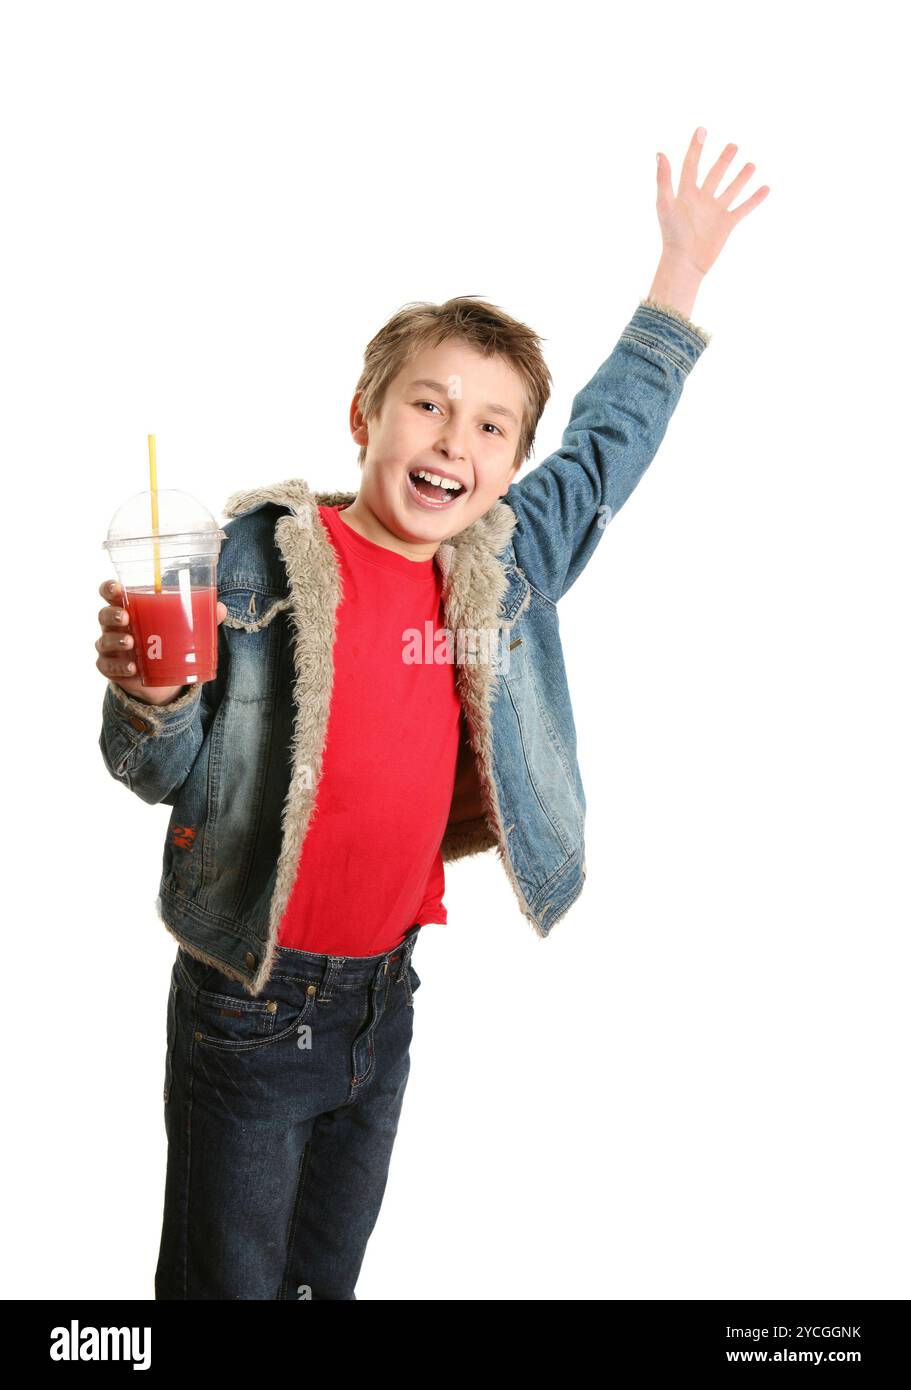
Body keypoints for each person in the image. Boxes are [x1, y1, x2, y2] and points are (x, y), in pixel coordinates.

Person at [96, 127, 769, 1300]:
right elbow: (168, 772)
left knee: (321, 1280)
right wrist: (149, 699)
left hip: (383, 1003)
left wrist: (678, 278)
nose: (454, 441)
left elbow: (607, 448)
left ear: (508, 466)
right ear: (363, 416)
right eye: (427, 405)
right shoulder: (256, 557)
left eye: (491, 426)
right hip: (248, 1006)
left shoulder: (500, 569)